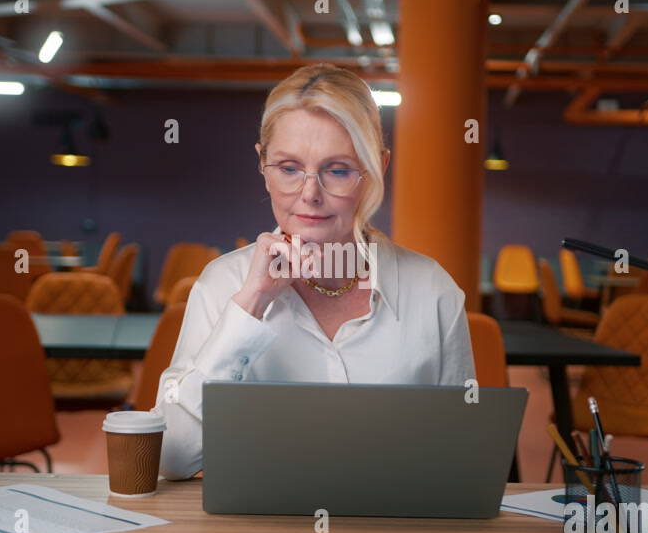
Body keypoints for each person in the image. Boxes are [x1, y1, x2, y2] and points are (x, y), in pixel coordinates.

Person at [155, 62, 476, 480]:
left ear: (377, 167)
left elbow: (461, 457)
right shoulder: (224, 285)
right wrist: (250, 305)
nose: (309, 195)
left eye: (337, 170)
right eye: (288, 169)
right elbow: (171, 459)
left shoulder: (432, 290)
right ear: (262, 165)